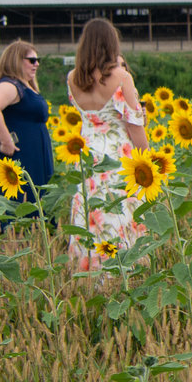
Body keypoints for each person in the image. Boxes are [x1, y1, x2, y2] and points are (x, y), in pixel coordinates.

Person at [64, 19, 150, 269]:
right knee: (118, 216)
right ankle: (121, 272)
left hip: (88, 159)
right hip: (117, 159)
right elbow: (136, 127)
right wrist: (148, 163)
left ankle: (89, 275)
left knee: (90, 217)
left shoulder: (72, 79)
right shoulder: (122, 77)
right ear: (112, 44)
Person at [0, 39, 52, 220]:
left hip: (33, 156)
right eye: (31, 60)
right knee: (17, 208)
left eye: (37, 59)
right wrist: (6, 141)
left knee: (33, 204)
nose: (37, 64)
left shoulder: (24, 86)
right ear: (16, 61)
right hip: (19, 157)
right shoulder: (10, 85)